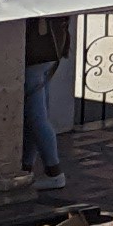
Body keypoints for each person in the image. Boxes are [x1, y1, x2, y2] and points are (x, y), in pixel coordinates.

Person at [22, 13, 75, 191]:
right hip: (49, 51)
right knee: (34, 116)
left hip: (35, 52)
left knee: (37, 118)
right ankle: (26, 168)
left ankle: (54, 172)